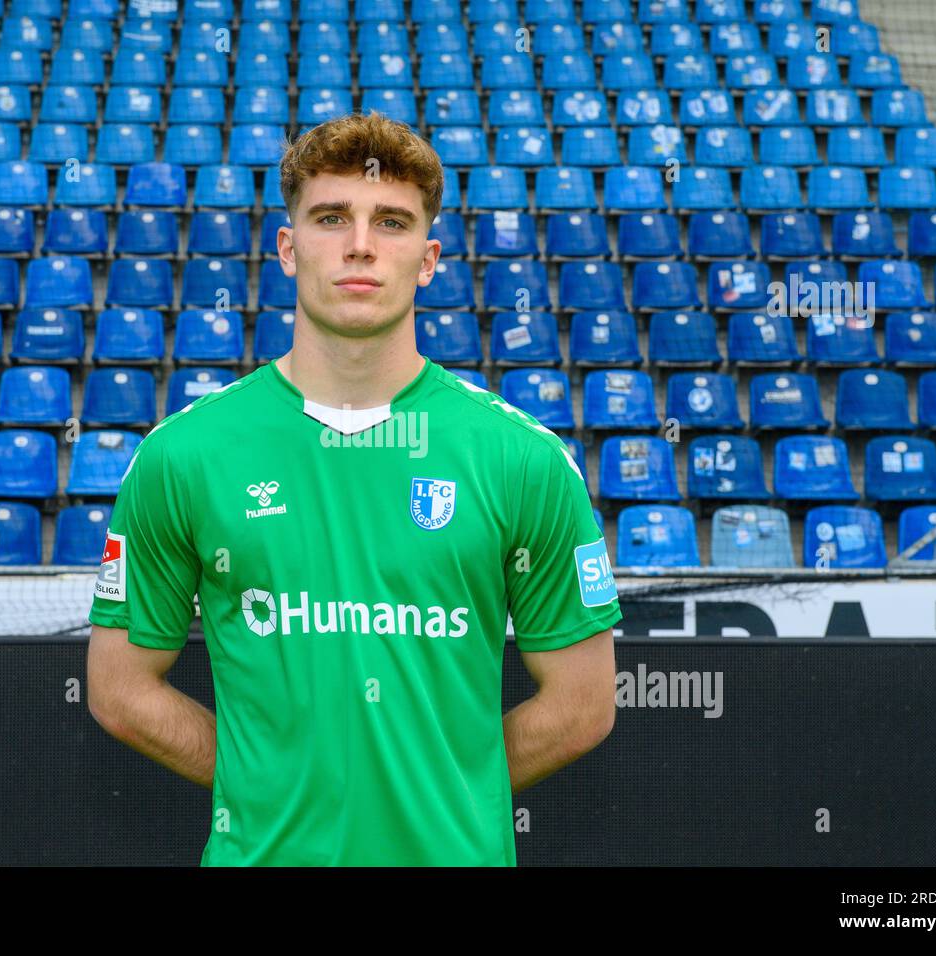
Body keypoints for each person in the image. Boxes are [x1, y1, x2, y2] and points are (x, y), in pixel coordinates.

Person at [87, 112, 620, 866]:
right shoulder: (184, 455)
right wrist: (268, 778)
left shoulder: (523, 460)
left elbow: (584, 704)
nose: (361, 244)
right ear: (288, 247)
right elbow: (117, 688)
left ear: (429, 258)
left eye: (392, 222)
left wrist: (439, 784)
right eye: (331, 217)